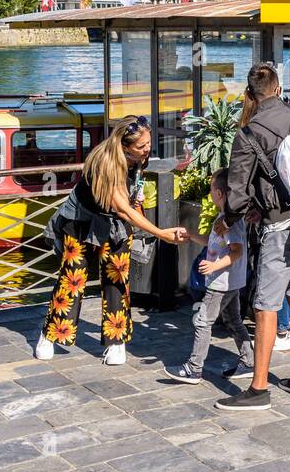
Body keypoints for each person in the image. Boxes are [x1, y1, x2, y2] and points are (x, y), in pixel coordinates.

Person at [35, 116, 188, 365]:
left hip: (115, 225)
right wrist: (161, 234)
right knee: (73, 278)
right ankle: (50, 334)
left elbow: (133, 201)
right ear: (125, 145)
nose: (147, 149)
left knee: (117, 277)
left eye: (149, 143)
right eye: (141, 146)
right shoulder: (105, 161)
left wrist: (148, 230)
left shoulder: (139, 158)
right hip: (82, 221)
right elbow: (123, 209)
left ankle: (116, 341)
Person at [217, 62, 290, 411]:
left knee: (265, 304)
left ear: (249, 94)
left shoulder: (248, 133)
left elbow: (236, 194)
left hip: (279, 225)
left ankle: (259, 387)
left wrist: (226, 219)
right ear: (278, 89)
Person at [164, 169, 254, 384]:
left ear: (220, 194)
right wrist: (193, 236)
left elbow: (236, 251)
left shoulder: (229, 222)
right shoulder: (225, 218)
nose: (210, 194)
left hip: (221, 283)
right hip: (230, 282)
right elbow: (216, 244)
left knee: (203, 322)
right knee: (234, 321)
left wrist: (214, 266)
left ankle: (194, 368)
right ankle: (249, 361)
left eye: (212, 190)